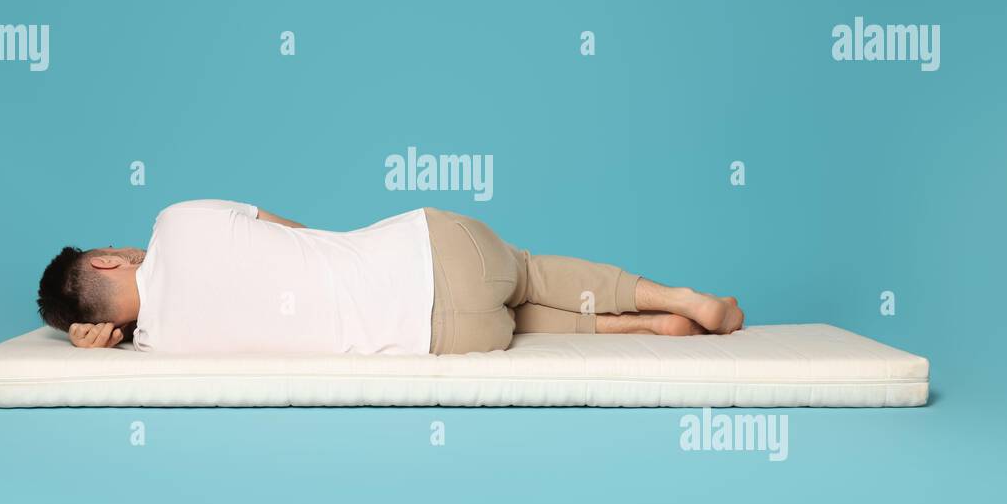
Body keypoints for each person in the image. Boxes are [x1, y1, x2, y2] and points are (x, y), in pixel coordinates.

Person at [36, 199, 744, 355]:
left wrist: (112, 341)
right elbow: (292, 229)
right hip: (433, 251)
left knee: (514, 318)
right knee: (524, 272)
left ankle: (651, 327)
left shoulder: (159, 348)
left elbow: (133, 346)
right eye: (109, 247)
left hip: (450, 338)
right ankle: (675, 298)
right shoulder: (174, 222)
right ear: (105, 260)